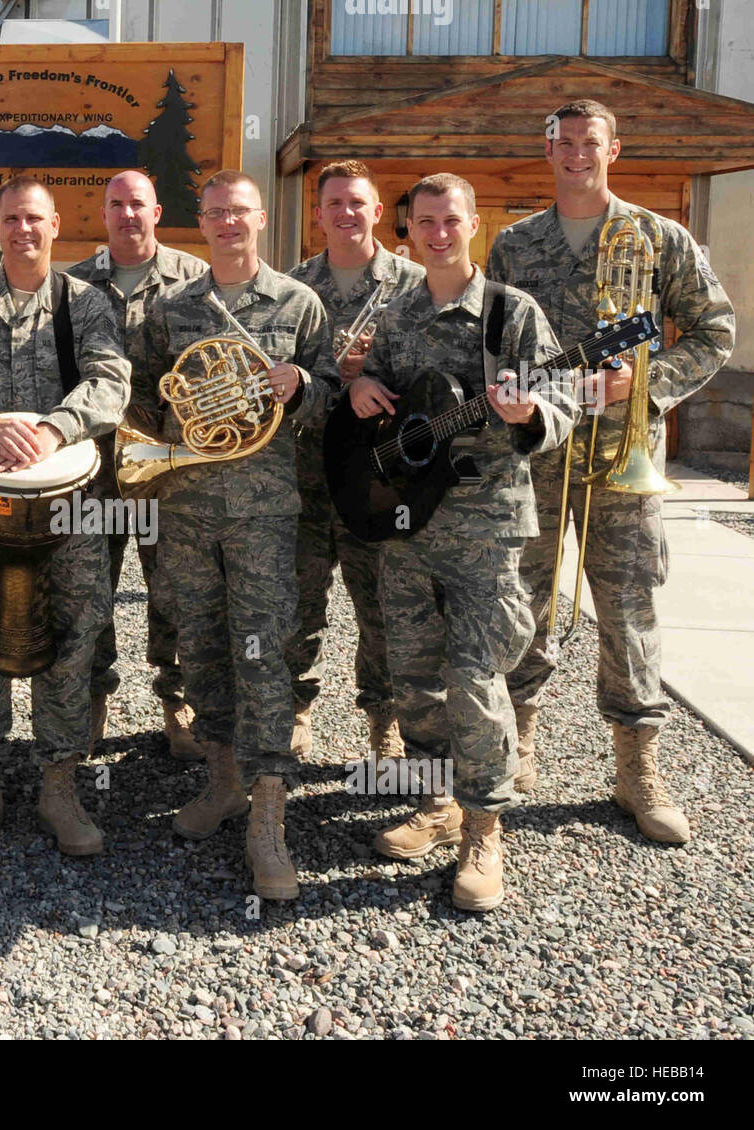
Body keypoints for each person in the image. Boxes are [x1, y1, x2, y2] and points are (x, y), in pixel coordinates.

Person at [489, 100, 735, 843]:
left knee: (628, 612)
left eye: (589, 143)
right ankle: (518, 739)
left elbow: (715, 329)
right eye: (562, 142)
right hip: (536, 452)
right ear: (548, 148)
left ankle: (636, 770)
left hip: (623, 456)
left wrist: (649, 379)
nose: (575, 154)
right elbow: (495, 342)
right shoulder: (513, 242)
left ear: (614, 150)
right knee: (522, 598)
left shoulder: (660, 237)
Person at [354, 173, 577, 911]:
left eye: (451, 220)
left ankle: (485, 828)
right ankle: (436, 802)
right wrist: (361, 393)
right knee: (414, 673)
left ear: (473, 225)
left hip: (486, 527)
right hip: (408, 523)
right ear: (408, 231)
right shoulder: (398, 314)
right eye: (425, 222)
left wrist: (528, 411)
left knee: (477, 676)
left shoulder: (512, 315)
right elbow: (382, 409)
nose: (438, 232)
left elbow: (563, 403)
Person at [0, 175, 130, 856]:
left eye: (34, 219)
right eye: (10, 219)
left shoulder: (87, 304)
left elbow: (110, 382)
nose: (23, 230)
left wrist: (53, 429)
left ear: (56, 224)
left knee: (72, 638)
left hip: (72, 512)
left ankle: (59, 789)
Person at [138, 170, 328, 901]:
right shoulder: (174, 308)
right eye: (214, 213)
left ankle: (269, 818)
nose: (226, 224)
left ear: (260, 218)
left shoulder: (297, 302)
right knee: (205, 647)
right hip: (187, 506)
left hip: (263, 512)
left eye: (238, 212)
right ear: (202, 220)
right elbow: (154, 393)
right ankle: (224, 783)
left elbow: (332, 400)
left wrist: (301, 388)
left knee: (264, 653)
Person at [66, 169, 207, 760]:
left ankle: (179, 703)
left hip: (165, 471)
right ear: (103, 214)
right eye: (116, 205)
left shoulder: (194, 280)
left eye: (138, 205)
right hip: (94, 470)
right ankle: (91, 701)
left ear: (158, 211)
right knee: (87, 586)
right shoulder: (73, 285)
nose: (127, 215)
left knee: (173, 588)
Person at [287, 160, 424, 760]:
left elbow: (435, 383)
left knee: (383, 608)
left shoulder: (416, 285)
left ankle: (384, 719)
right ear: (317, 214)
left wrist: (374, 374)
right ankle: (293, 706)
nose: (347, 213)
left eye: (358, 203)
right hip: (305, 474)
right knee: (297, 601)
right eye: (334, 204)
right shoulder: (290, 287)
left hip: (382, 477)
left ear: (377, 211)